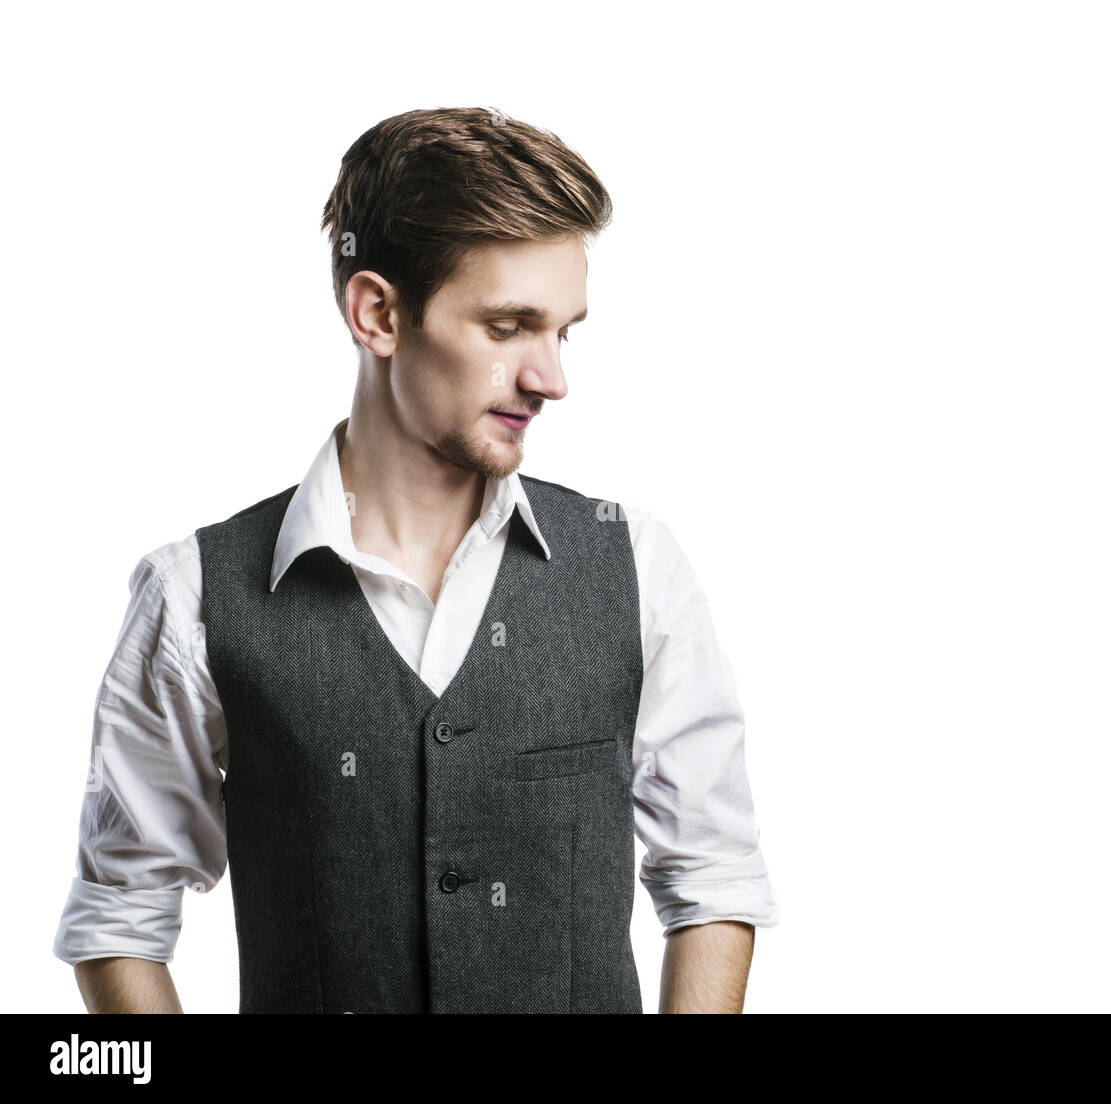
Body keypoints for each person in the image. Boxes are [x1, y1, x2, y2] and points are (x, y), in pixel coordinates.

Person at [53, 106, 778, 1013]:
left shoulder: (635, 566)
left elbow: (712, 876)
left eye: (564, 331)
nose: (553, 378)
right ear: (378, 313)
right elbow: (119, 918)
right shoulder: (195, 593)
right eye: (509, 326)